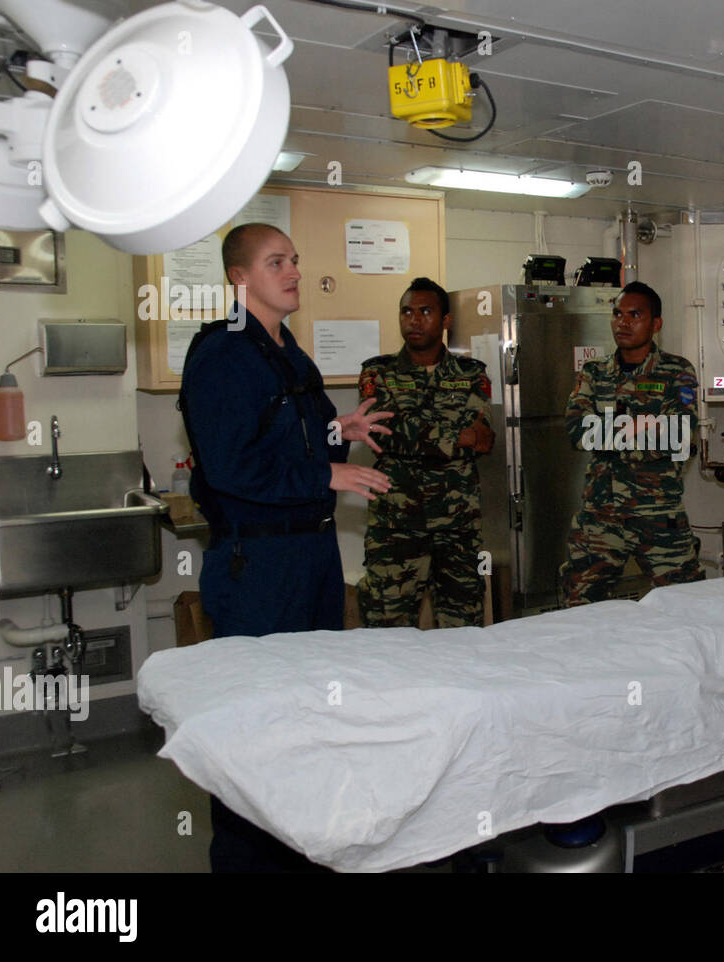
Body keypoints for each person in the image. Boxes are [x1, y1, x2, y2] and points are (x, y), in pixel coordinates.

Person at [180, 221, 392, 872]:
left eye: (295, 260)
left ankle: (304, 849)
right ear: (239, 279)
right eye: (278, 262)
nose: (295, 271)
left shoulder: (289, 354)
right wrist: (327, 471)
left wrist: (337, 432)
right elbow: (229, 468)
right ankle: (246, 862)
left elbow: (292, 448)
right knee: (258, 728)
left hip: (312, 559)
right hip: (259, 566)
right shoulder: (222, 354)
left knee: (312, 719)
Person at [356, 277, 494, 628]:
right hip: (396, 527)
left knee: (464, 631)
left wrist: (420, 434)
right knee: (386, 632)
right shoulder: (378, 372)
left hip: (458, 527)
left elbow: (483, 440)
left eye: (425, 311)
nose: (413, 320)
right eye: (406, 311)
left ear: (445, 321)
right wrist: (456, 437)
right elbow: (383, 433)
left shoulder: (472, 374)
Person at [559, 281, 703, 605]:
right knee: (579, 611)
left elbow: (678, 436)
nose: (622, 322)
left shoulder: (677, 372)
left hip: (659, 515)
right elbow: (577, 431)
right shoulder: (594, 373)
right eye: (617, 314)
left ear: (656, 324)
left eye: (634, 315)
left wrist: (609, 431)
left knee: (690, 606)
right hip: (600, 516)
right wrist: (641, 427)